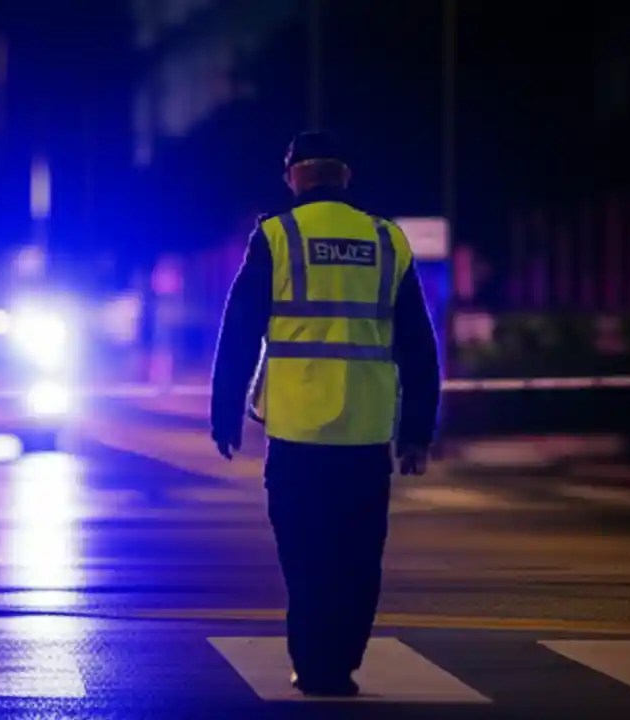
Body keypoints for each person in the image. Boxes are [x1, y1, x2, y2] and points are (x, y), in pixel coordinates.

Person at [210, 131, 440, 697]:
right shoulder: (388, 240)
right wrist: (417, 433)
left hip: (299, 431)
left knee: (306, 554)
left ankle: (314, 665)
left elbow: (239, 331)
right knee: (359, 557)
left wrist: (225, 414)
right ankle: (341, 665)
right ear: (345, 177)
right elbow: (419, 343)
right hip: (365, 434)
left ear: (294, 176)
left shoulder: (277, 236)